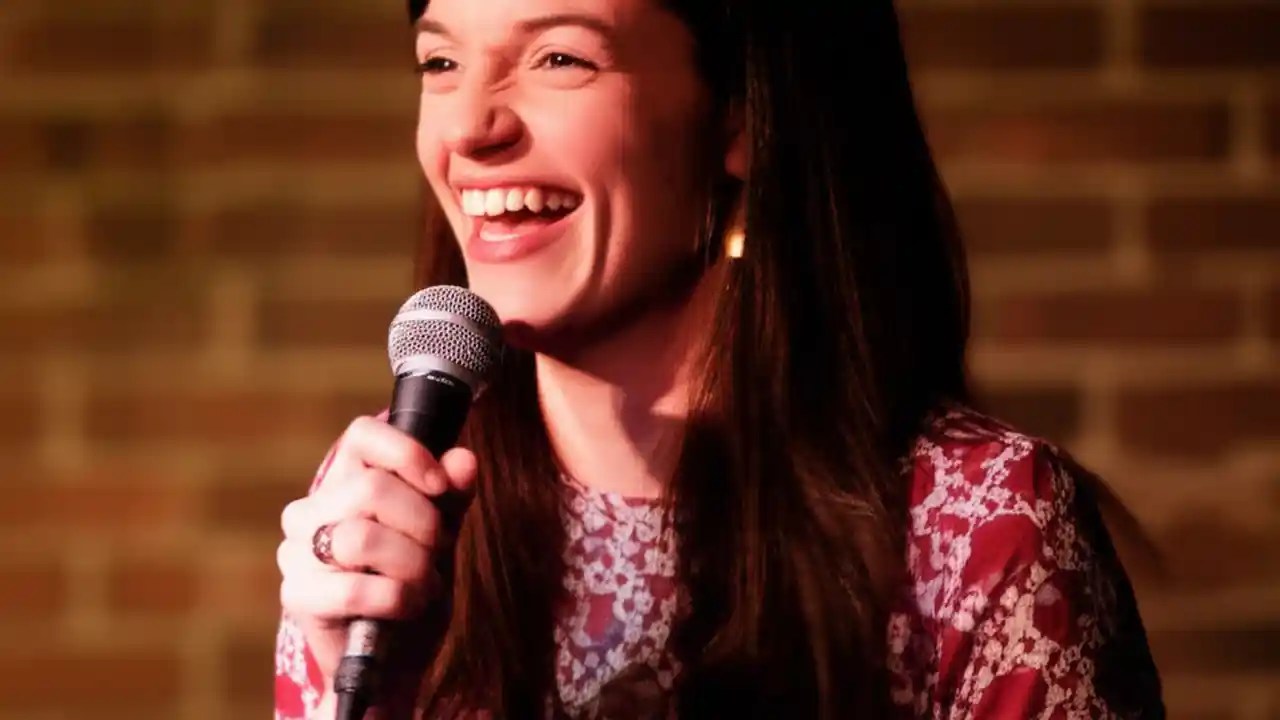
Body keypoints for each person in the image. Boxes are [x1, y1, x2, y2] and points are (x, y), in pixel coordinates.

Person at [274, 0, 1166, 718]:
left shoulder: (981, 525)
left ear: (739, 114)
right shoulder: (374, 513)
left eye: (560, 58)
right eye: (441, 63)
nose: (469, 127)